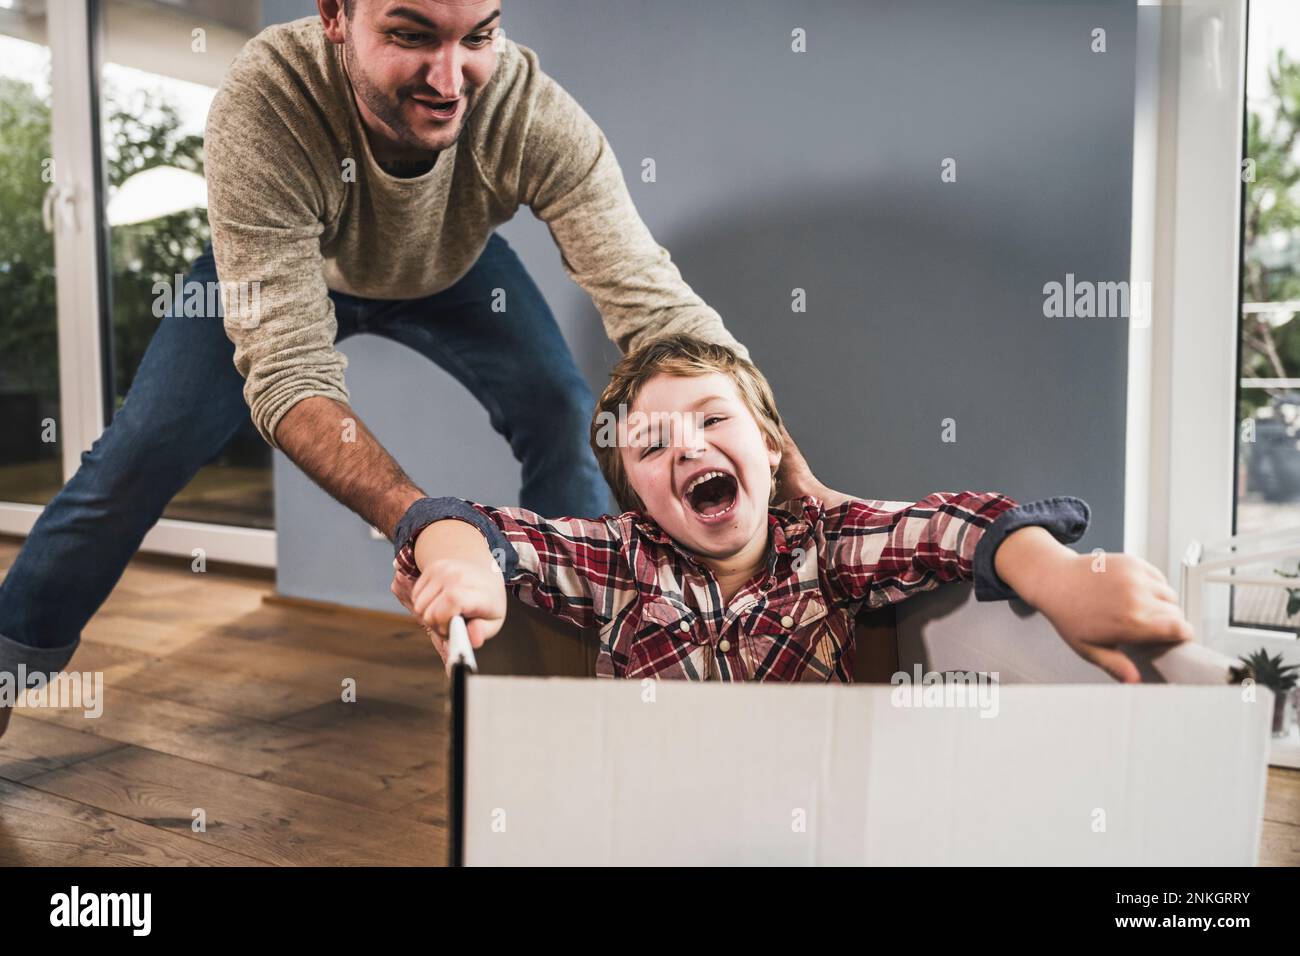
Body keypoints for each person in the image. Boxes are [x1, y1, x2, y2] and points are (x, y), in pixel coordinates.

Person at [0, 2, 842, 736]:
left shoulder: (529, 112)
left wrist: (776, 449)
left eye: (478, 35)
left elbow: (655, 308)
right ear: (336, 15)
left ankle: (590, 674)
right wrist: (427, 521)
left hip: (450, 271)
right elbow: (291, 374)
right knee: (138, 453)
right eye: (412, 35)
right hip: (277, 278)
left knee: (562, 408)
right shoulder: (267, 101)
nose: (451, 78)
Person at [391, 334, 1193, 682]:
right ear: (634, 491)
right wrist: (460, 559)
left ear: (771, 448)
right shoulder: (618, 558)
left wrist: (1057, 576)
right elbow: (467, 520)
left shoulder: (828, 545)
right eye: (654, 445)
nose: (689, 449)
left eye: (712, 420)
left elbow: (956, 526)